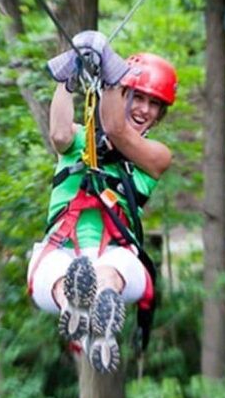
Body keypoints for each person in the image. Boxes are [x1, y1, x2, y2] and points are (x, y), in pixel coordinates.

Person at [26, 32, 177, 373]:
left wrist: (110, 71)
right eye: (137, 97)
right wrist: (69, 76)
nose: (144, 110)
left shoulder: (156, 156)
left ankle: (101, 308)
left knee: (111, 271)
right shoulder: (79, 138)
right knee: (59, 276)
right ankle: (74, 308)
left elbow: (117, 130)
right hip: (60, 250)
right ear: (123, 95)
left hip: (118, 256)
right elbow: (60, 134)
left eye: (154, 105)